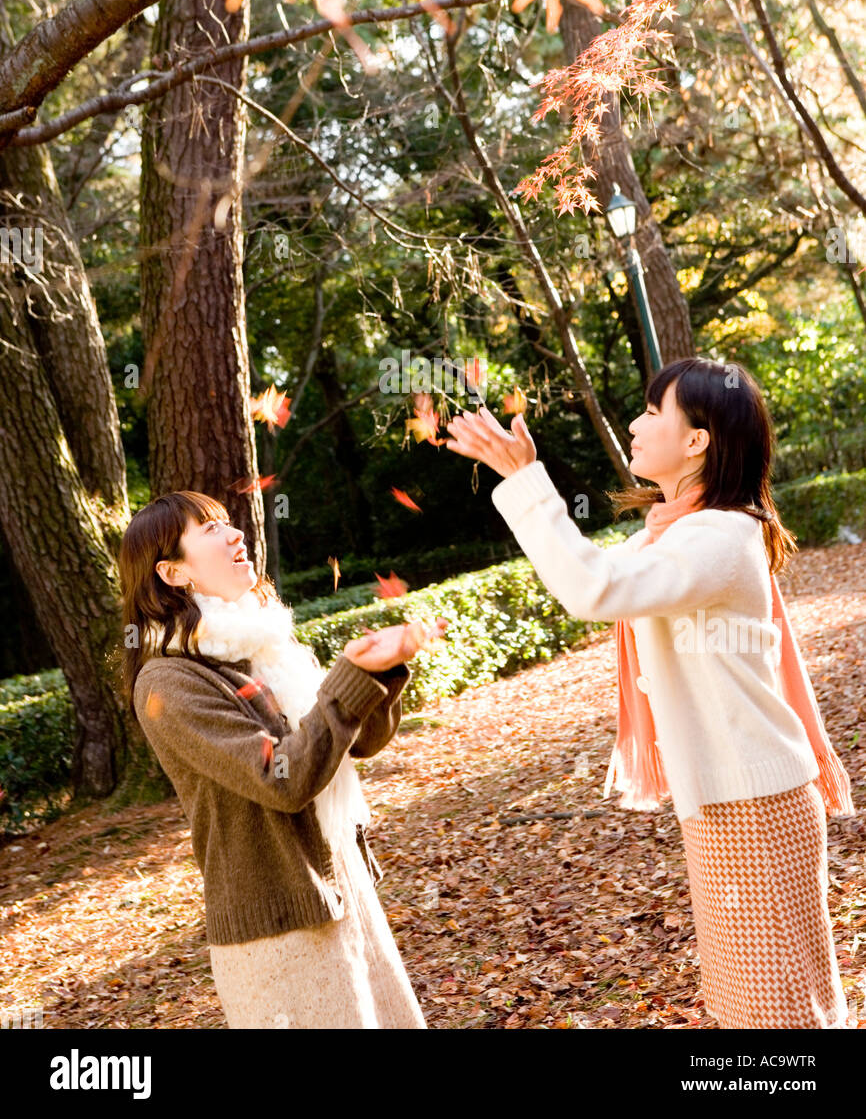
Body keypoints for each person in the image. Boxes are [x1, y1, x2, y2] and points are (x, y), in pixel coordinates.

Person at [445, 356, 855, 1029]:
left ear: (697, 441)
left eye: (652, 411)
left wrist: (525, 480)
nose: (635, 424)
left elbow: (594, 591)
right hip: (731, 800)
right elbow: (598, 573)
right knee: (757, 1006)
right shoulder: (675, 531)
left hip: (755, 803)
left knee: (781, 1014)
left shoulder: (718, 538)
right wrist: (522, 480)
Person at [120, 489, 446, 1029]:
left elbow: (352, 744)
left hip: (340, 883)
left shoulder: (262, 643)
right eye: (211, 530)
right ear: (173, 574)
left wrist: (379, 674)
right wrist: (350, 680)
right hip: (280, 924)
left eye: (229, 522)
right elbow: (281, 777)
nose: (236, 534)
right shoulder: (169, 680)